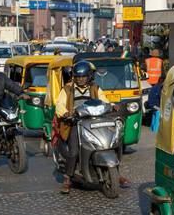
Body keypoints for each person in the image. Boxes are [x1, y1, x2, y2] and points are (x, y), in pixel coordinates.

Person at [55, 58, 129, 194]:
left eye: (83, 77)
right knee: (74, 151)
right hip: (76, 123)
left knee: (111, 142)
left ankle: (116, 173)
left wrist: (113, 106)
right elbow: (59, 104)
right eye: (78, 77)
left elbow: (104, 100)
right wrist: (65, 113)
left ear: (89, 76)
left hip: (94, 121)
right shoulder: (67, 89)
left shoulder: (95, 88)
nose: (80, 80)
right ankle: (67, 179)